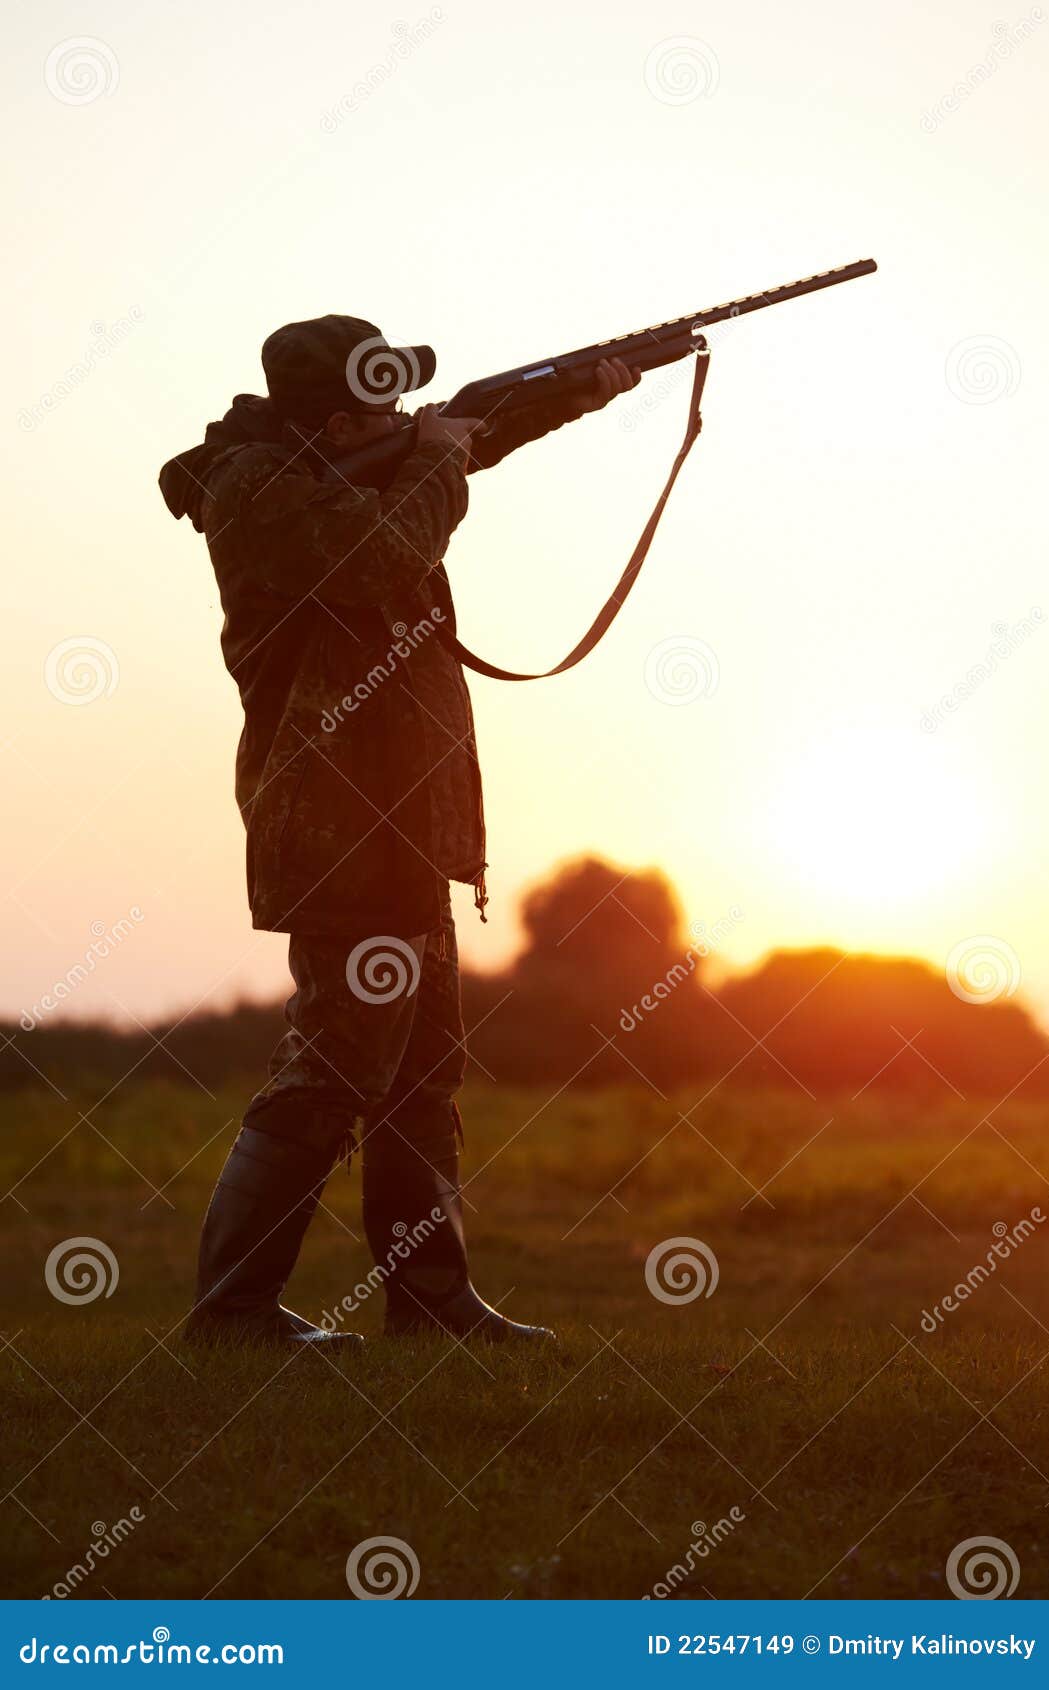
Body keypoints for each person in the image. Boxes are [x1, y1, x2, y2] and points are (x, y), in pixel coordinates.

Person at [159, 314, 638, 1346]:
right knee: (335, 1063)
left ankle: (431, 1301)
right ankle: (233, 1312)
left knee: (423, 1072)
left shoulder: (351, 468)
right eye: (382, 407)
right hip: (339, 827)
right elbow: (379, 556)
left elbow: (468, 436)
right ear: (337, 426)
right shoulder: (257, 492)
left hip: (406, 824)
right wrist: (438, 457)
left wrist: (582, 389)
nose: (405, 418)